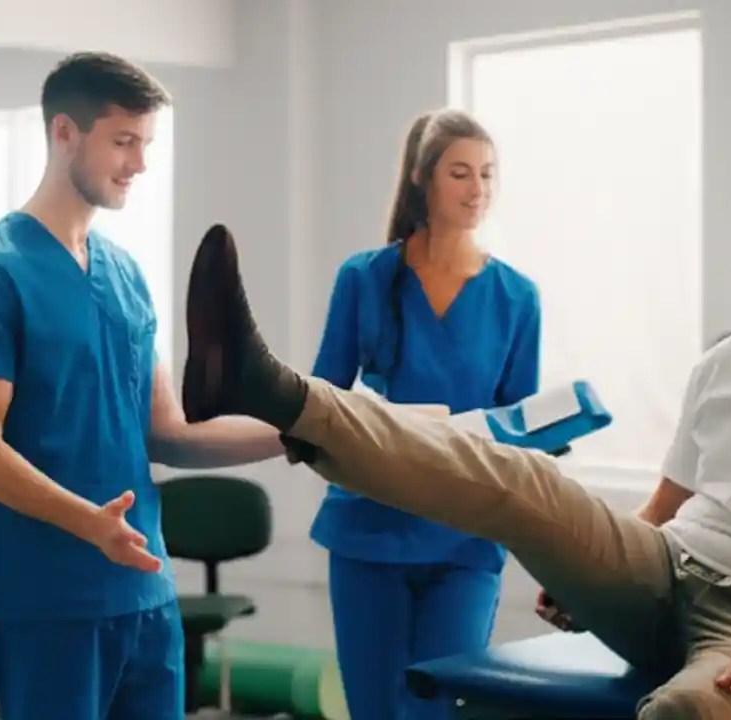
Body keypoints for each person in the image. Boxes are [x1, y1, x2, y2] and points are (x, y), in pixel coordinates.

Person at [180, 146, 731, 719]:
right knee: (521, 478)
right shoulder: (722, 362)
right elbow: (668, 502)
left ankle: (273, 393)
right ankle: (266, 387)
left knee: (686, 711)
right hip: (664, 571)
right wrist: (591, 569)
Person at [0, 51, 282, 720]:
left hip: (144, 592)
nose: (140, 163)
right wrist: (88, 524)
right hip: (48, 597)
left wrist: (299, 435)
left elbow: (167, 433)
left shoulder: (126, 274)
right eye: (124, 141)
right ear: (64, 132)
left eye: (147, 143)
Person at [306, 109, 540, 718]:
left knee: (439, 709)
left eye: (488, 174)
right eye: (460, 173)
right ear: (422, 179)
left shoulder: (517, 296)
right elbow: (320, 401)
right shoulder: (363, 278)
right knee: (377, 709)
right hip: (369, 529)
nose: (478, 189)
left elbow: (523, 429)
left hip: (466, 534)